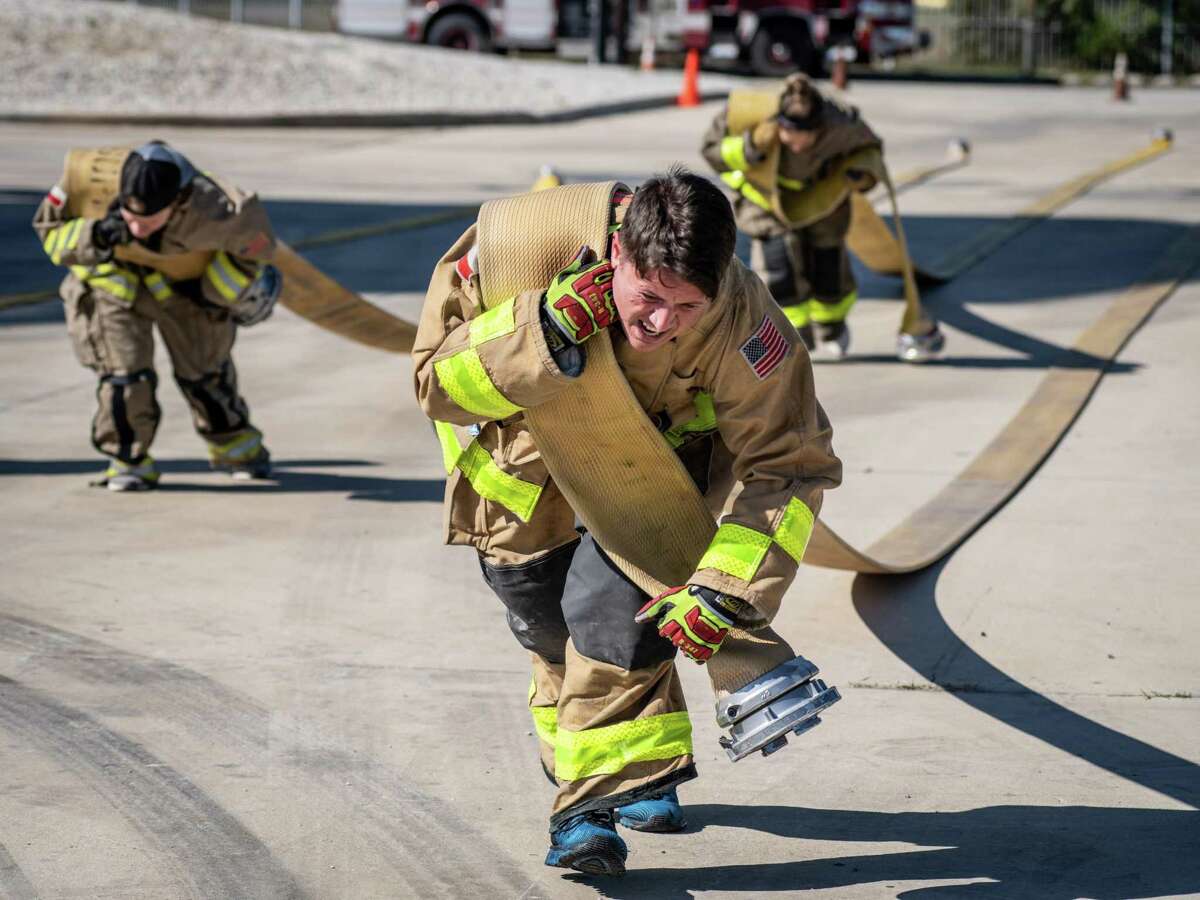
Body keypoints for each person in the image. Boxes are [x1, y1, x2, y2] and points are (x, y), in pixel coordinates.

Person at [413, 168, 842, 876]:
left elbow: (791, 466)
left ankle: (587, 813)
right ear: (618, 255)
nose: (661, 324)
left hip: (653, 489)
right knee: (547, 629)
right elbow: (435, 382)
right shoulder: (513, 245)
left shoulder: (745, 322)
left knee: (611, 619)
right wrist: (538, 332)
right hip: (524, 483)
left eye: (687, 307)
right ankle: (644, 767)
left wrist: (725, 586)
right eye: (646, 298)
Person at [33, 141, 280, 490]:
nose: (136, 230)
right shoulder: (86, 178)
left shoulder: (225, 209)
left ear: (177, 202)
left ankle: (238, 450)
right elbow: (50, 233)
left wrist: (210, 293)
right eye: (131, 219)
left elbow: (253, 257)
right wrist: (96, 234)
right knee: (124, 376)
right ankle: (128, 462)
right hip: (113, 284)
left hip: (186, 290)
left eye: (149, 222)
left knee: (205, 373)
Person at [701, 72, 945, 362]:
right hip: (766, 200)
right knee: (778, 267)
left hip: (822, 200)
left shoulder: (841, 124)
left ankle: (831, 328)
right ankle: (789, 336)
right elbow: (712, 150)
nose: (799, 145)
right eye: (791, 136)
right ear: (779, 123)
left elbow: (871, 151)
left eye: (808, 137)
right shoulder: (749, 113)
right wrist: (749, 148)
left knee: (828, 270)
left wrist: (862, 175)